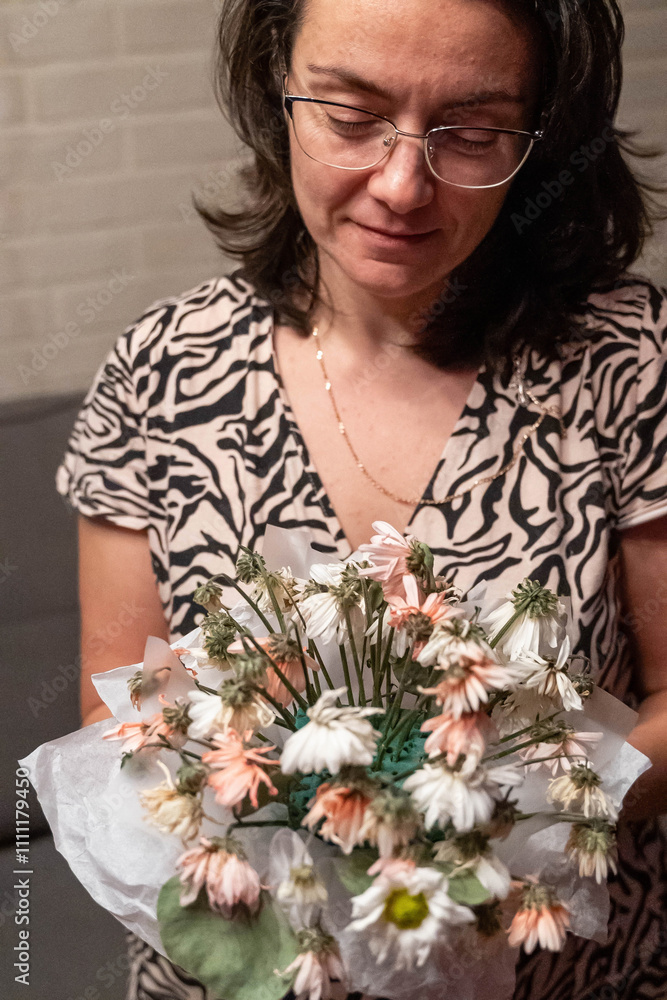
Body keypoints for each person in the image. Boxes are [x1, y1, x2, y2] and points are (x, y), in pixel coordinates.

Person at [56, 0, 667, 997]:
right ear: (276, 93)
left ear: (540, 133)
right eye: (348, 116)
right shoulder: (162, 370)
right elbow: (117, 722)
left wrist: (475, 819)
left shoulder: (626, 362)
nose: (400, 184)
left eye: (470, 132)